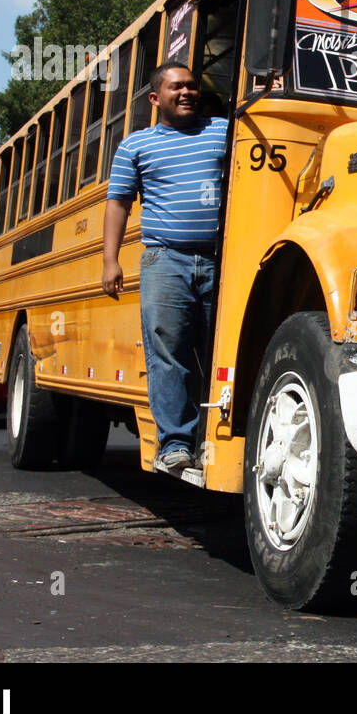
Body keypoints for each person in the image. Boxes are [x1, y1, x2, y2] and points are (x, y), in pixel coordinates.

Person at [102, 62, 228, 472]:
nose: (187, 93)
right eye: (177, 88)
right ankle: (175, 443)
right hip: (164, 259)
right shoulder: (136, 146)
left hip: (222, 259)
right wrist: (110, 260)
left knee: (218, 352)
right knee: (169, 355)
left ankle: (216, 438)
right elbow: (118, 202)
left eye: (192, 86)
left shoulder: (225, 132)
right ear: (156, 98)